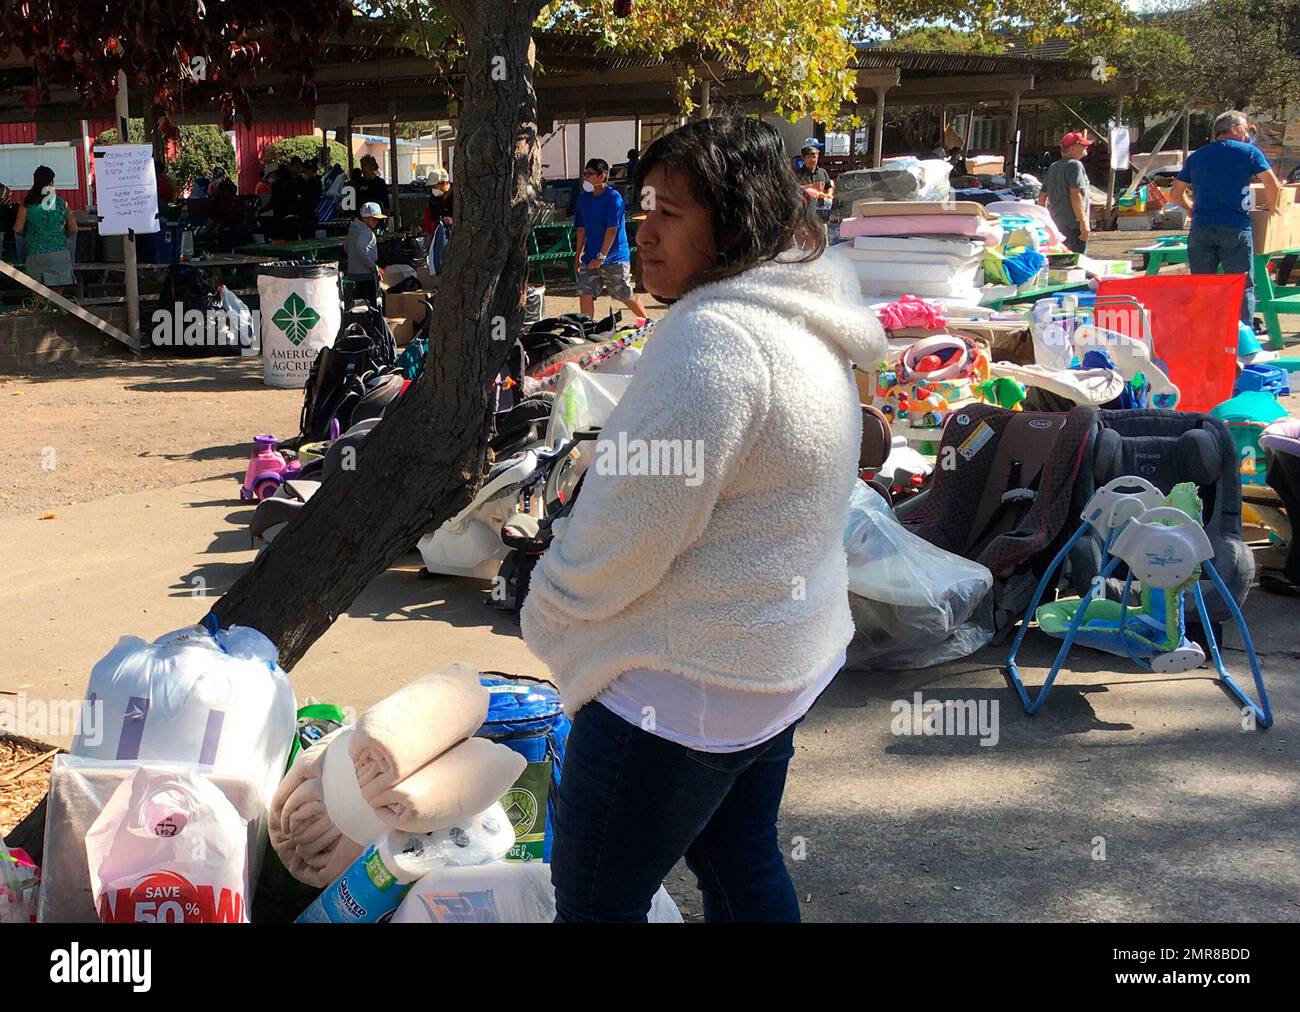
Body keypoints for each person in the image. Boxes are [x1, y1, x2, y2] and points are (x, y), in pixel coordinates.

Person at [521, 116, 887, 923]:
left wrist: (547, 608)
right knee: (741, 865)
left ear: (734, 219)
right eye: (641, 208)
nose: (644, 235)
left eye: (670, 215)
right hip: (773, 664)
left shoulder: (714, 341)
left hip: (683, 687)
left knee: (594, 904)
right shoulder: (799, 316)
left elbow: (630, 531)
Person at [1170, 109, 1283, 330]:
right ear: (1233, 129)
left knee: (1203, 286)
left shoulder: (1197, 156)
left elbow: (1175, 193)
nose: (1248, 134)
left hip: (1201, 228)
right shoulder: (1249, 152)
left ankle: (1205, 335)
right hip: (1235, 227)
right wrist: (1272, 205)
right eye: (1245, 128)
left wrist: (1191, 209)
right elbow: (1272, 183)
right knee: (1241, 285)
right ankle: (1243, 340)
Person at [572, 157, 648, 319]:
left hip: (614, 257)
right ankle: (586, 329)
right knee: (585, 292)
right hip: (590, 257)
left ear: (602, 176)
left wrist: (601, 256)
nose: (586, 177)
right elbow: (581, 229)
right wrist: (578, 254)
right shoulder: (583, 200)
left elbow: (612, 230)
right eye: (585, 173)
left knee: (624, 294)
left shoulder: (613, 198)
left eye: (590, 173)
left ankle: (649, 325)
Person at [14, 165, 77, 291]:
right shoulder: (61, 203)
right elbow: (74, 229)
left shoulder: (27, 203)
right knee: (59, 300)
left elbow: (18, 228)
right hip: (61, 254)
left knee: (38, 300)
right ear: (51, 182)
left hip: (37, 255)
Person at [1038, 131, 1094, 252]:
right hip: (1074, 225)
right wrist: (1083, 221)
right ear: (1072, 148)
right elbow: (1075, 194)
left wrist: (1045, 221)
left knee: (1059, 262)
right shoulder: (1075, 165)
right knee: (1076, 263)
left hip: (1057, 223)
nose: (1086, 147)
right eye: (1082, 145)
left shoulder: (1053, 167)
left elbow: (1042, 197)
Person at [344, 200, 385, 302]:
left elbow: (346, 246)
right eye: (374, 219)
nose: (376, 222)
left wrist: (355, 259)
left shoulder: (353, 229)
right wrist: (372, 267)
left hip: (353, 272)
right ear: (365, 218)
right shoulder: (366, 232)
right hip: (366, 275)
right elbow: (360, 248)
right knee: (370, 305)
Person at [422, 168, 453, 276]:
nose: (433, 189)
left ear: (444, 183)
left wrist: (452, 221)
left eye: (435, 186)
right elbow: (428, 219)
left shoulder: (457, 196)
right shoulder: (433, 199)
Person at [795, 142, 833, 221]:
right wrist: (810, 187)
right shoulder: (798, 173)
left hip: (821, 214)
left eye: (814, 157)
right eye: (809, 157)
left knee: (823, 232)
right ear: (804, 159)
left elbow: (829, 186)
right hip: (803, 216)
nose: (812, 160)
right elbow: (794, 189)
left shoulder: (822, 172)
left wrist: (828, 195)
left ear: (817, 157)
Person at [296, 158, 323, 239]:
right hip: (301, 213)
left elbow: (315, 198)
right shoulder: (299, 180)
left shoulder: (316, 182)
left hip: (310, 214)